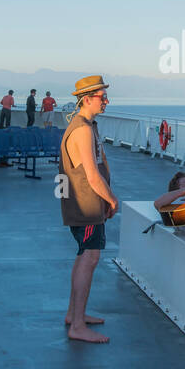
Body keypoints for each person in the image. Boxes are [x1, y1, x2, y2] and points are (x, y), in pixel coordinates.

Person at [59, 76, 119, 343]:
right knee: (90, 258)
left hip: (86, 204)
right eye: (102, 96)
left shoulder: (87, 126)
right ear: (87, 99)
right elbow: (92, 176)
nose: (106, 101)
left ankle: (75, 315)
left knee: (85, 255)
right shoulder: (82, 129)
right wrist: (112, 200)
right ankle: (78, 326)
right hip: (86, 205)